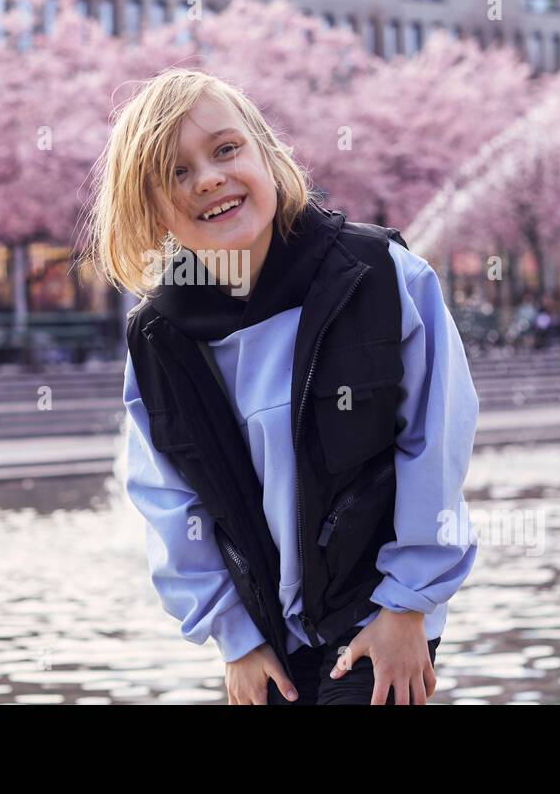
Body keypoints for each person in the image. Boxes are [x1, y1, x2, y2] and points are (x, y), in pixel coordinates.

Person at [86, 69, 479, 705]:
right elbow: (167, 500)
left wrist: (408, 606)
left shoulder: (380, 276)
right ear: (150, 206)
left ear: (267, 154)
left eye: (225, 149)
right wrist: (233, 638)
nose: (208, 177)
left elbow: (433, 446)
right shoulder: (159, 337)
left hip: (377, 613)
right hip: (263, 641)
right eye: (175, 172)